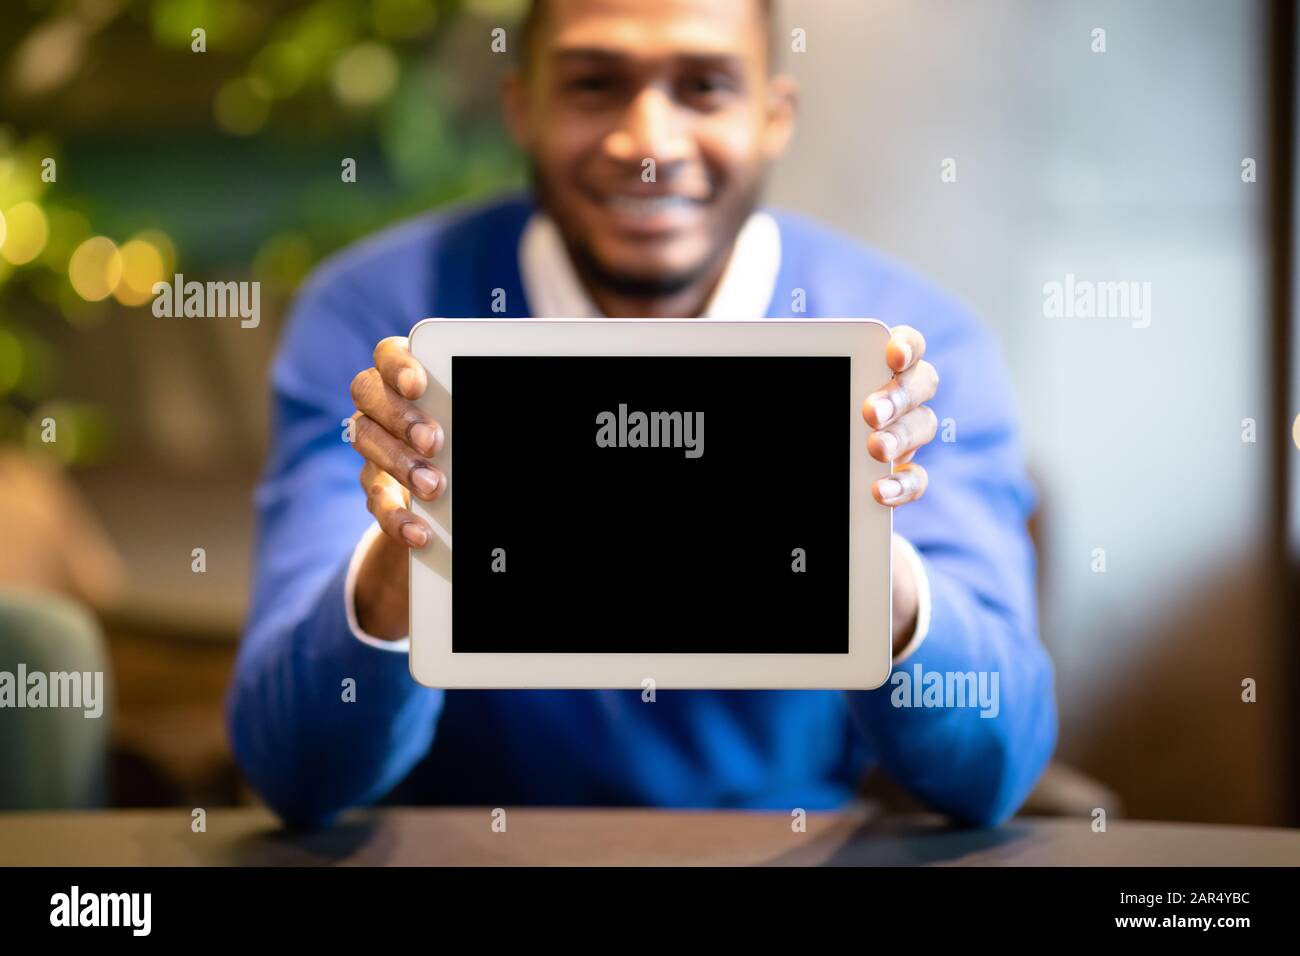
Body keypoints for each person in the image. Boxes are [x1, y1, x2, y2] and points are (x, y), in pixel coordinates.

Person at [226, 0, 1057, 829]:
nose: (649, 145)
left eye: (704, 87)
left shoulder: (912, 348)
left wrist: (875, 569)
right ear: (524, 108)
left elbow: (1000, 762)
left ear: (774, 116)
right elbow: (290, 768)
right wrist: (396, 574)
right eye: (594, 85)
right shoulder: (376, 317)